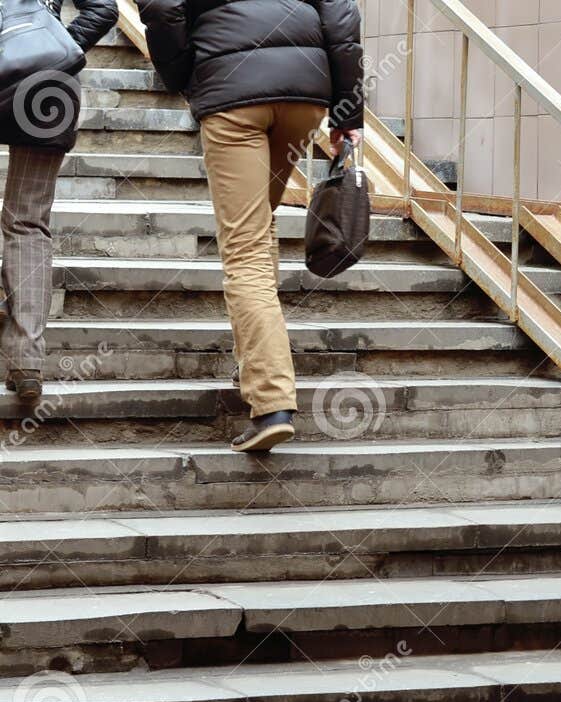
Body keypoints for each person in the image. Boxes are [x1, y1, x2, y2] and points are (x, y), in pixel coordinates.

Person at [138, 0, 364, 452]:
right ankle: (256, 362)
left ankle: (271, 403)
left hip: (233, 93)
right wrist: (348, 112)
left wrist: (185, 74)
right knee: (260, 229)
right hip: (303, 92)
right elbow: (342, 17)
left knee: (245, 250)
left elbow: (163, 7)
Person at [0, 0, 119, 408]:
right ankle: (26, 361)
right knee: (27, 223)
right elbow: (104, 9)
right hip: (49, 87)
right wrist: (51, 52)